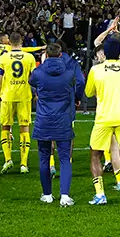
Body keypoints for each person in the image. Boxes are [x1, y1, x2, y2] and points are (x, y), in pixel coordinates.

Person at [85, 34, 120, 205]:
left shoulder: (96, 70)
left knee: (95, 155)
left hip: (103, 118)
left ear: (105, 53)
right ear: (119, 53)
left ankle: (100, 194)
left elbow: (88, 93)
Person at [30, 42, 85, 207]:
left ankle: (47, 194)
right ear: (61, 55)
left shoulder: (38, 72)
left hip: (44, 119)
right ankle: (65, 196)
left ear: (46, 55)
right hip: (63, 119)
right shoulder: (68, 74)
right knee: (65, 159)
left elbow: (32, 82)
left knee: (44, 158)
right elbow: (80, 83)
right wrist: (76, 98)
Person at [0, 34, 45, 142]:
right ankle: (9, 131)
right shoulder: (10, 48)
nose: (8, 39)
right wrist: (40, 47)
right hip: (6, 78)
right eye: (6, 38)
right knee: (9, 106)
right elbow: (26, 49)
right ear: (3, 40)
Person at [0, 32, 37, 174]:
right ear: (21, 42)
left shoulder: (4, 58)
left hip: (7, 96)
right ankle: (23, 164)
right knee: (24, 129)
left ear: (9, 43)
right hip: (24, 96)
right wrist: (37, 93)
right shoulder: (29, 57)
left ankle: (8, 160)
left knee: (5, 127)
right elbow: (35, 78)